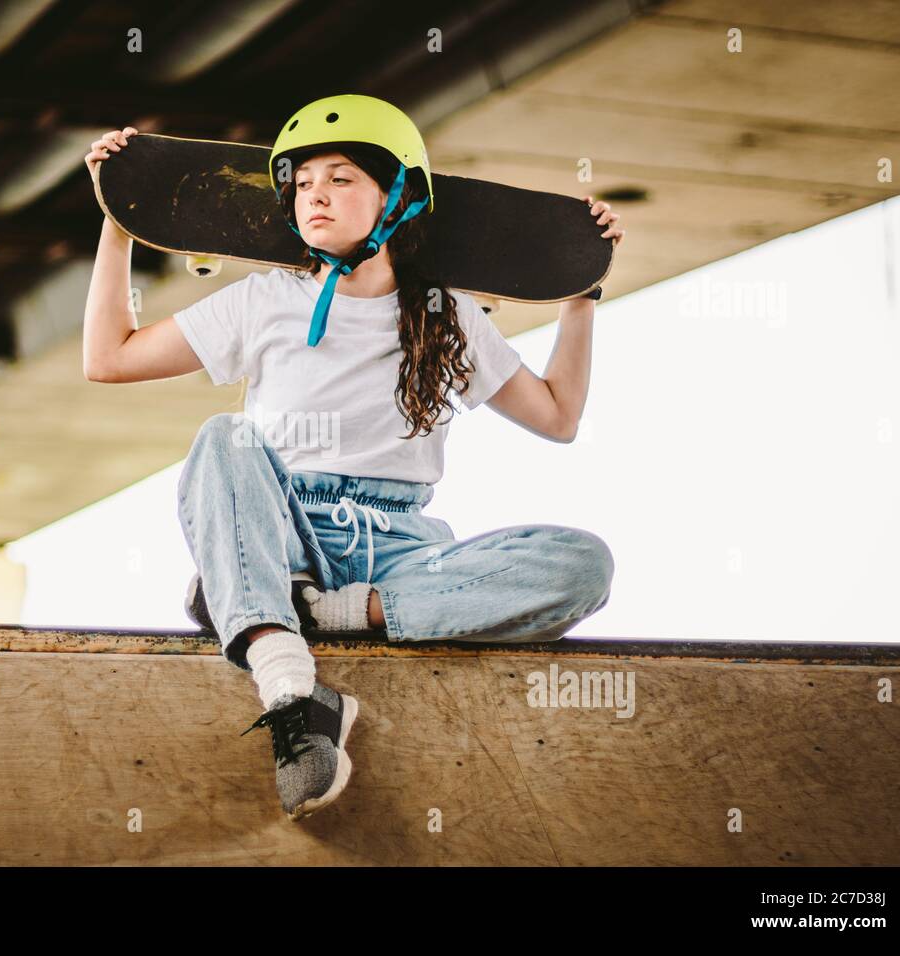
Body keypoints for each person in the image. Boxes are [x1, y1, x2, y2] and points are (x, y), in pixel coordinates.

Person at [82, 94, 624, 821]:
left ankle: (320, 610)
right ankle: (291, 690)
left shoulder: (448, 315)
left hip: (404, 552)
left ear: (396, 196)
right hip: (289, 529)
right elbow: (109, 358)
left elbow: (558, 417)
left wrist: (577, 299)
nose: (316, 197)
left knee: (582, 563)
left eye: (340, 179)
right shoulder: (264, 300)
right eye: (303, 184)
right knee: (225, 438)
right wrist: (119, 230)